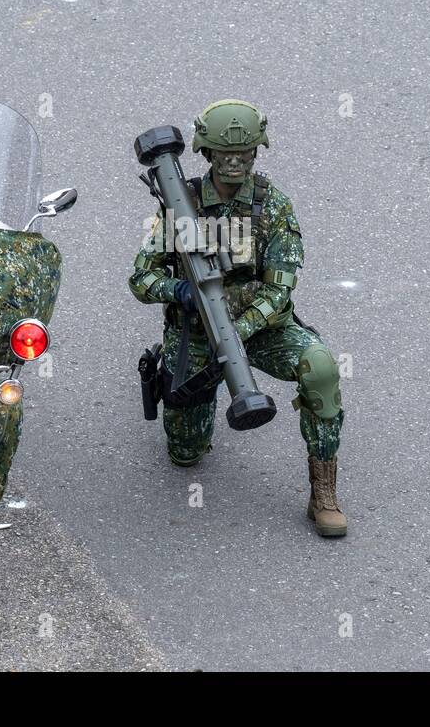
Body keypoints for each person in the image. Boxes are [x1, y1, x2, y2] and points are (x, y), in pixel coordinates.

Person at [129, 100, 348, 537]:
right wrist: (180, 291)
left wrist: (240, 332)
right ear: (204, 152)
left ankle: (323, 493)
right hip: (195, 333)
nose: (234, 162)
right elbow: (140, 279)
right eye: (224, 153)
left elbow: (279, 288)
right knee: (186, 453)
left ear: (257, 152)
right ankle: (173, 379)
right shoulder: (179, 205)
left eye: (244, 154)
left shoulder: (273, 206)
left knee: (320, 368)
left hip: (263, 329)